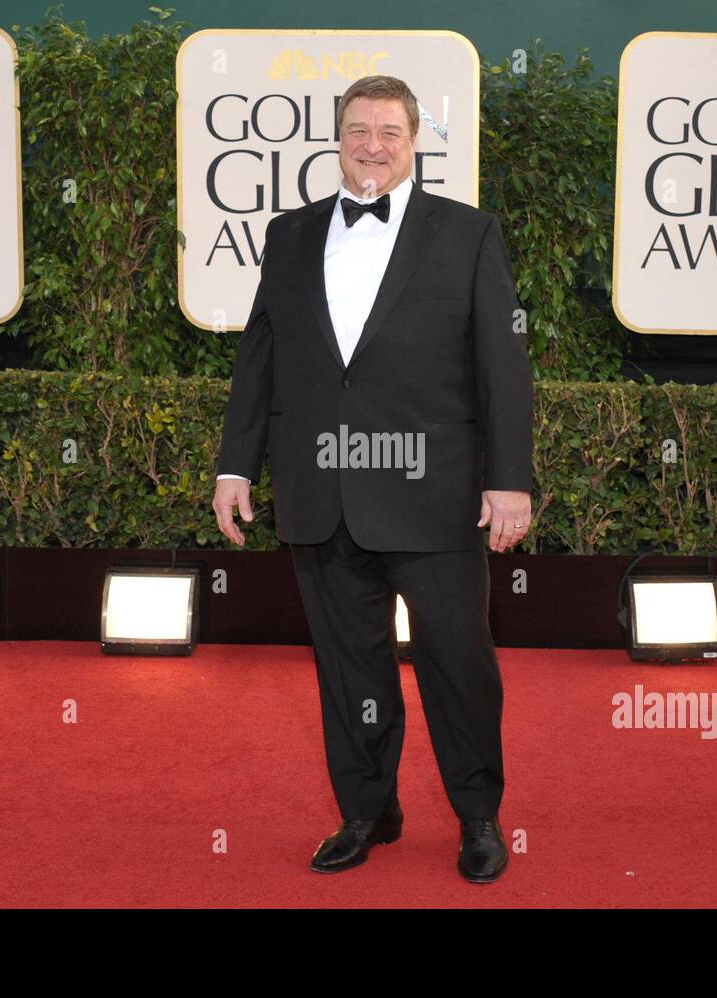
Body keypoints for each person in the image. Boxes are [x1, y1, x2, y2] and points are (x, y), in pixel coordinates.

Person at [212, 75, 533, 882]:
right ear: (337, 138)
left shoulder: (466, 234)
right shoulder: (289, 235)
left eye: (390, 131)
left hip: (436, 496)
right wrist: (234, 464)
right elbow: (263, 355)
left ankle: (478, 817)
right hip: (324, 493)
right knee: (348, 666)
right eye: (359, 130)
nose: (373, 146)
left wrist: (510, 479)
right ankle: (367, 811)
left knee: (457, 663)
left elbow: (505, 367)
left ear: (416, 140)